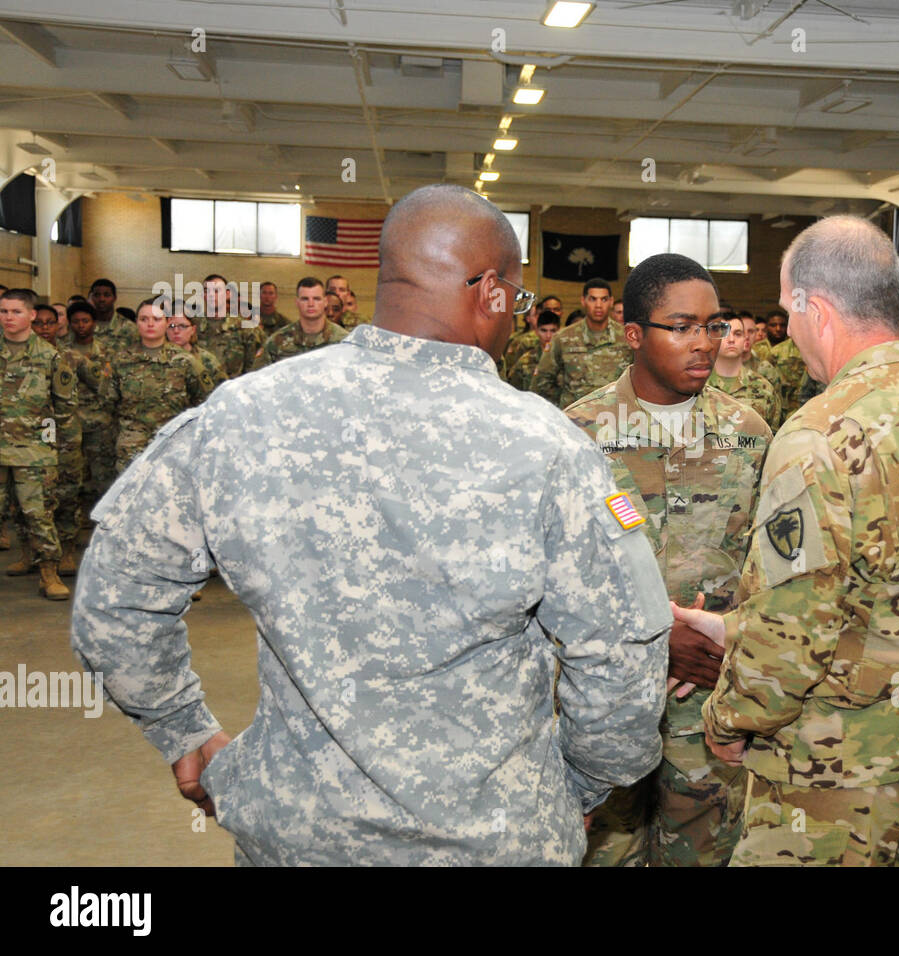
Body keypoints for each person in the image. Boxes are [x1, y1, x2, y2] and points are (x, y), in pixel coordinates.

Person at [70, 183, 671, 866]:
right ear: (491, 292)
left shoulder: (243, 414)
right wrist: (580, 787)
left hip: (297, 839)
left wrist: (182, 729)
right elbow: (623, 656)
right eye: (519, 298)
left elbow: (113, 600)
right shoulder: (552, 448)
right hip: (490, 840)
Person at [674, 216, 899, 867]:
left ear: (814, 309)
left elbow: (795, 626)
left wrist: (733, 718)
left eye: (790, 317)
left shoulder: (818, 432)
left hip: (839, 760)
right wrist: (736, 627)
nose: (788, 335)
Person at [566, 253, 770, 867]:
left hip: (707, 701)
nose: (704, 343)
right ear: (634, 333)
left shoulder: (749, 431)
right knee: (605, 851)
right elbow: (554, 588)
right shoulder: (578, 434)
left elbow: (769, 567)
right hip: (604, 697)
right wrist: (657, 642)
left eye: (713, 325)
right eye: (681, 326)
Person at [0, 288, 76, 599]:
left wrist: (60, 451)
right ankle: (27, 557)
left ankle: (49, 572)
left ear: (32, 315)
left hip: (34, 452)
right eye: (3, 311)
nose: (8, 318)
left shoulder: (51, 357)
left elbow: (65, 410)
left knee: (39, 514)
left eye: (15, 312)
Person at [102, 296, 214, 472]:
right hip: (131, 451)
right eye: (143, 319)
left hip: (173, 448)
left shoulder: (185, 361)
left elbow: (204, 401)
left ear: (167, 322)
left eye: (156, 319)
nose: (150, 324)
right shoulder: (120, 361)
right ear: (136, 323)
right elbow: (107, 405)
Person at [31, 305, 97, 575]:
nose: (45, 328)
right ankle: (32, 552)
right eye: (40, 324)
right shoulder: (23, 358)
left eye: (50, 323)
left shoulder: (72, 358)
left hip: (67, 434)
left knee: (69, 492)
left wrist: (87, 414)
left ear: (59, 325)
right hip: (33, 436)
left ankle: (67, 550)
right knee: (35, 498)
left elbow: (103, 386)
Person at [531, 278, 630, 408]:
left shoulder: (626, 338)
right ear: (583, 301)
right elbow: (542, 382)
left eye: (604, 299)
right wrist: (565, 405)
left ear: (611, 301)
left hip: (614, 417)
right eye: (593, 299)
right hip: (574, 420)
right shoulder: (563, 338)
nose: (598, 305)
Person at [65, 301, 117, 519]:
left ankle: (100, 519)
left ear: (94, 323)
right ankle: (75, 519)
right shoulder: (60, 350)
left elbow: (105, 384)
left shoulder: (106, 351)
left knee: (101, 474)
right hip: (70, 421)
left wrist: (83, 365)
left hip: (99, 421)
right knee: (71, 474)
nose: (81, 326)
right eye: (75, 321)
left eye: (85, 321)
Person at [251, 278, 348, 370]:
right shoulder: (277, 341)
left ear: (325, 302)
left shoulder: (344, 341)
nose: (311, 304)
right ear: (297, 302)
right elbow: (256, 379)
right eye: (305, 299)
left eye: (316, 299)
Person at [707, 316, 781, 432]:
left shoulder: (764, 388)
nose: (731, 339)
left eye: (737, 334)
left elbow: (773, 437)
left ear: (745, 340)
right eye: (724, 333)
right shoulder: (697, 386)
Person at [193, 274, 264, 379]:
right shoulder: (192, 327)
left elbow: (255, 367)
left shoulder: (246, 328)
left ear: (227, 294)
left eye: (216, 291)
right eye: (207, 291)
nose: (211, 295)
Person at [165, 309, 228, 388]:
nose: (176, 331)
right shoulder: (160, 358)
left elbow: (223, 389)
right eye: (171, 326)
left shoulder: (207, 359)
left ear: (193, 330)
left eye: (183, 326)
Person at [507, 310, 560, 390]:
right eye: (544, 330)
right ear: (536, 331)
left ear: (559, 331)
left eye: (553, 331)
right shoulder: (526, 360)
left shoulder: (565, 360)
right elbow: (513, 389)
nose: (548, 336)